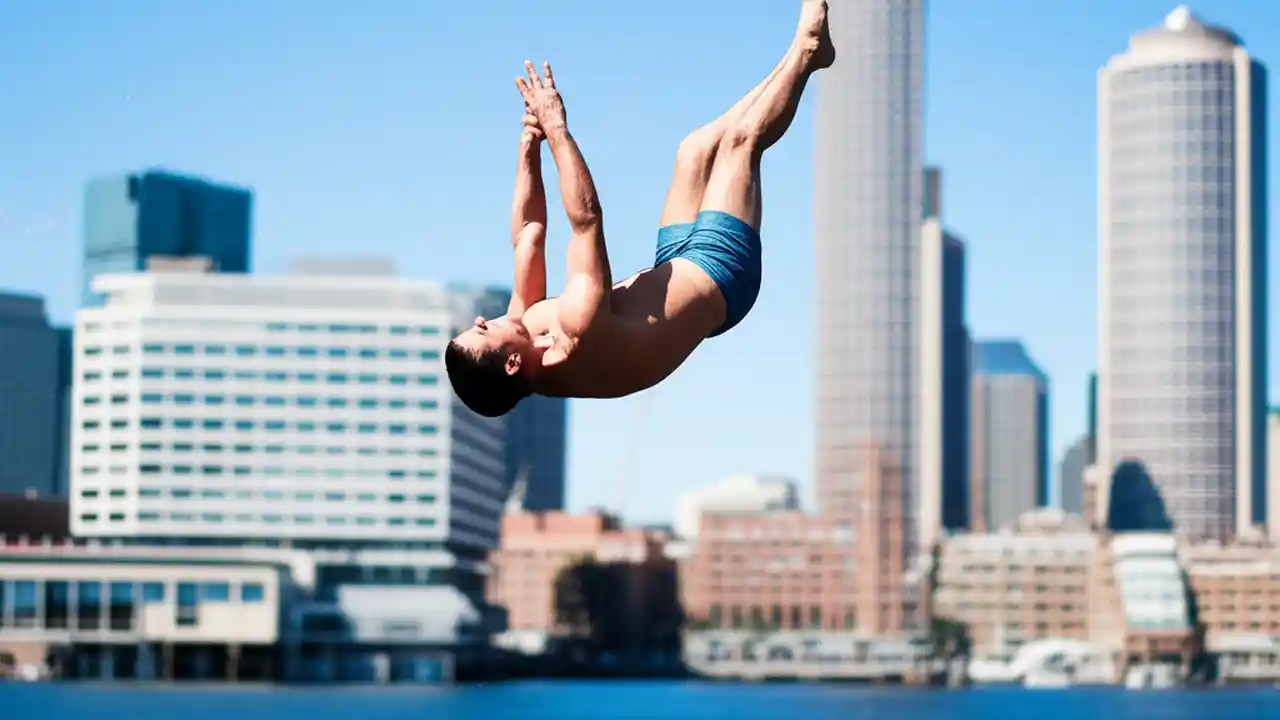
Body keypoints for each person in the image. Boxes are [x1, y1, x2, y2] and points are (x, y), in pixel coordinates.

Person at [445, 0, 836, 417]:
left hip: (673, 264)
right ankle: (808, 48)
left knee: (695, 150)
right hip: (722, 276)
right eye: (482, 332)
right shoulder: (577, 336)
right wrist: (557, 128)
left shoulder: (524, 326)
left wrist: (530, 151)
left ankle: (804, 52)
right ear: (512, 363)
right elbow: (587, 221)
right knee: (741, 142)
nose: (482, 320)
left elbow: (529, 231)